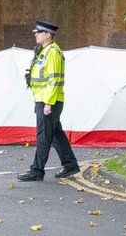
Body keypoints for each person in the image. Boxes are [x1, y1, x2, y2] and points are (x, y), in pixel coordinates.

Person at [18, 20, 80, 181]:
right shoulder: (45, 51)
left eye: (38, 32)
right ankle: (70, 165)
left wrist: (48, 103)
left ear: (47, 35)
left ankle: (37, 171)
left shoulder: (52, 52)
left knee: (44, 136)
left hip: (48, 101)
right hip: (45, 99)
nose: (36, 35)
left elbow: (53, 79)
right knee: (55, 135)